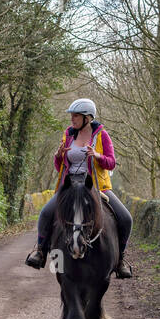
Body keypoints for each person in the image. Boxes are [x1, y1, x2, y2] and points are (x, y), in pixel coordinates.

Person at [25, 99, 132, 278]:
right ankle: (40, 251)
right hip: (69, 185)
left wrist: (97, 155)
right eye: (71, 116)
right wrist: (58, 156)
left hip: (95, 185)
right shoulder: (68, 134)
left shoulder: (102, 135)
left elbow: (111, 163)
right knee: (45, 213)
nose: (72, 119)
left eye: (75, 116)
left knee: (126, 218)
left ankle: (120, 259)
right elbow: (59, 166)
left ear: (87, 118)